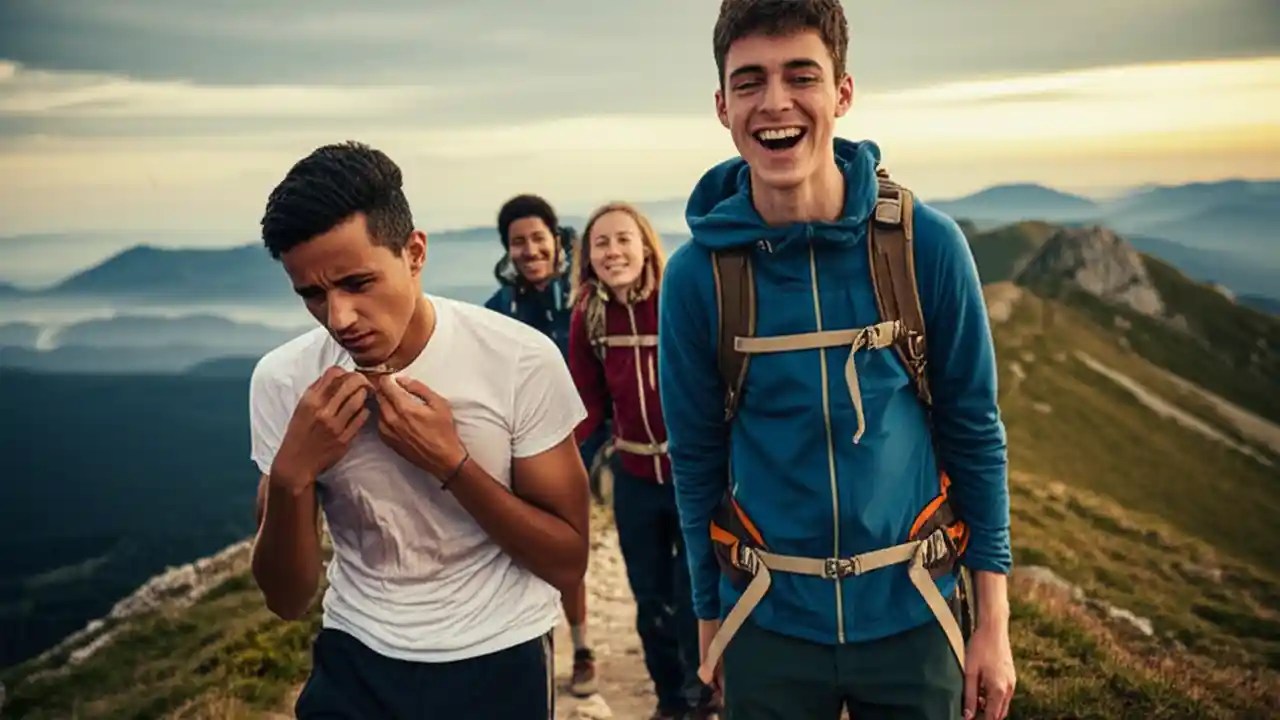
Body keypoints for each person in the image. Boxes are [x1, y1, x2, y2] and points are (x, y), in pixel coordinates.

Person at [657, 1, 1017, 719]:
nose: (776, 103)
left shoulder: (926, 248)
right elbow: (696, 462)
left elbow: (975, 433)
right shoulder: (698, 277)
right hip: (767, 624)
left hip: (914, 618)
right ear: (722, 104)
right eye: (751, 81)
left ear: (843, 93)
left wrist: (993, 623)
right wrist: (710, 617)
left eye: (802, 76)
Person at [248, 141, 590, 719]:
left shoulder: (518, 359)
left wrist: (451, 465)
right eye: (311, 293)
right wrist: (291, 476)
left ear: (414, 252)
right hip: (356, 653)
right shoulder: (284, 381)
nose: (338, 318)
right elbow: (286, 600)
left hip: (499, 654)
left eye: (358, 282)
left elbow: (567, 561)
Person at [568, 202, 717, 720]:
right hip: (633, 479)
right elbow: (587, 403)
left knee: (694, 594)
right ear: (588, 257)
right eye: (601, 243)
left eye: (623, 239)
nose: (613, 251)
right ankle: (669, 700)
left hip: (691, 477)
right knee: (650, 601)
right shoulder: (588, 315)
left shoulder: (676, 298)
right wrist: (565, 469)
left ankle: (705, 697)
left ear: (645, 243)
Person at [484, 193, 607, 697]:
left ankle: (581, 648)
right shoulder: (497, 313)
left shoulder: (588, 294)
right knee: (538, 551)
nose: (529, 249)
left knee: (571, 549)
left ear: (557, 239)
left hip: (594, 442)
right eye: (518, 242)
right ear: (507, 250)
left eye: (537, 238)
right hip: (529, 451)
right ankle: (559, 649)